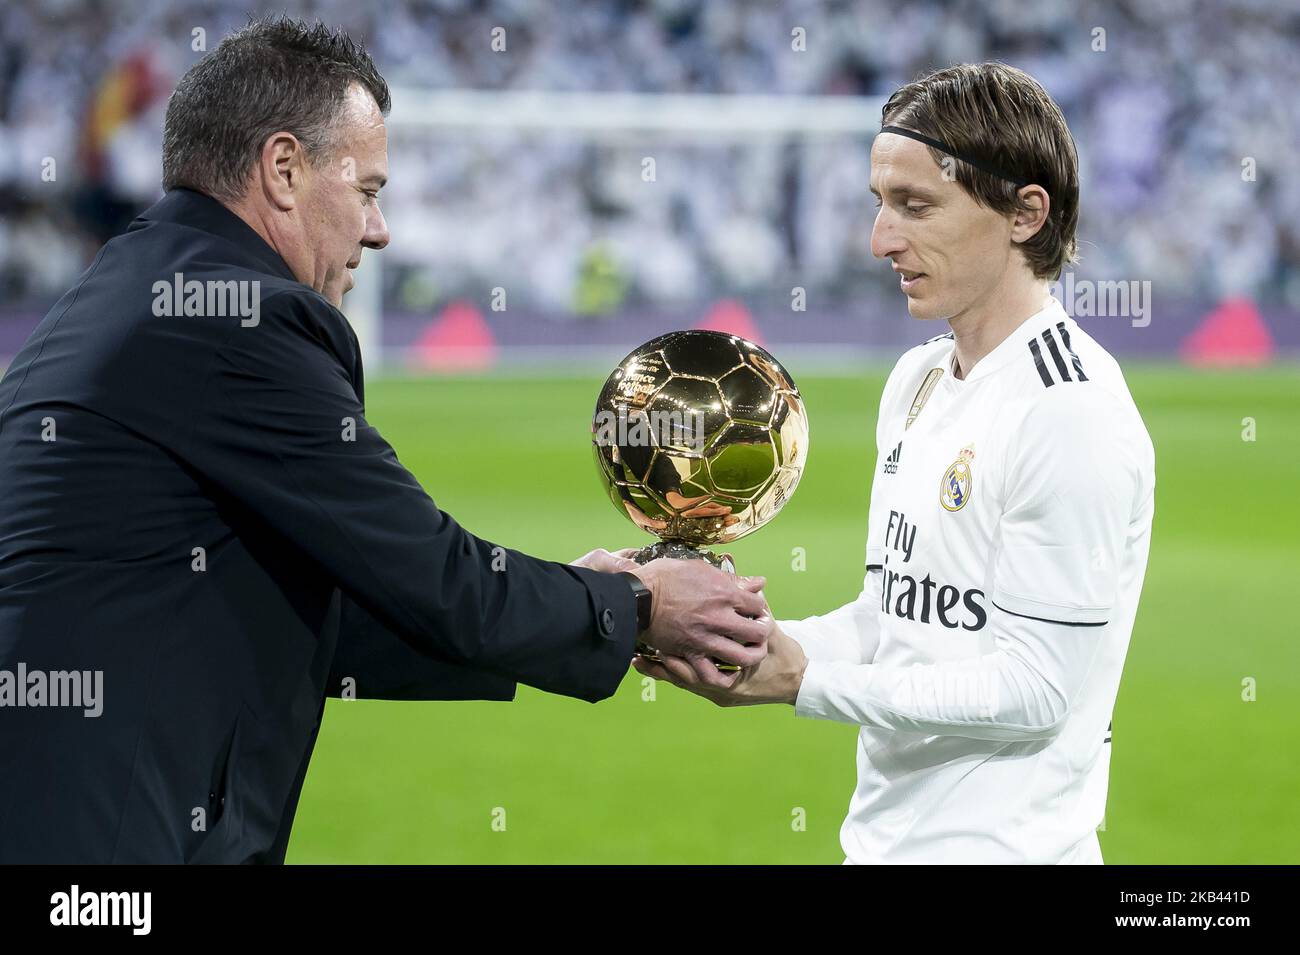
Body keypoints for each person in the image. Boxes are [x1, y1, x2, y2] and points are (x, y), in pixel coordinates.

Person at [0, 17, 769, 864]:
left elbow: (309, 613)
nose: (380, 229)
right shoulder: (238, 318)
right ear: (284, 169)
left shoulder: (129, 286)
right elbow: (432, 573)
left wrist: (595, 605)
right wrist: (642, 607)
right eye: (367, 190)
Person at [636, 62, 1156, 865]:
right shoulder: (916, 380)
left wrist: (802, 679)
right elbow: (896, 623)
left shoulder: (1069, 406)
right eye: (879, 203)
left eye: (915, 206)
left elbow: (1036, 689)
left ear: (1025, 212)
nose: (881, 239)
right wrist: (744, 641)